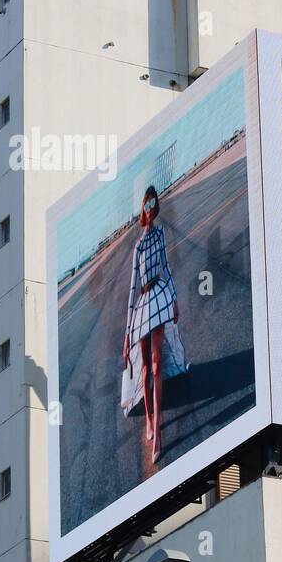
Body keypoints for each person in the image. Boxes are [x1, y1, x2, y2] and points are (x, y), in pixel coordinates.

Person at [122, 186, 179, 464]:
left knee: (157, 363)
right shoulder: (138, 246)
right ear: (143, 210)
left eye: (153, 204)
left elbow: (166, 267)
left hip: (159, 296)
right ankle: (148, 416)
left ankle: (157, 432)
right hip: (142, 303)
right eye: (146, 205)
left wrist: (175, 299)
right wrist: (127, 334)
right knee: (145, 369)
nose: (150, 209)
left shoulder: (160, 235)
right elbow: (133, 290)